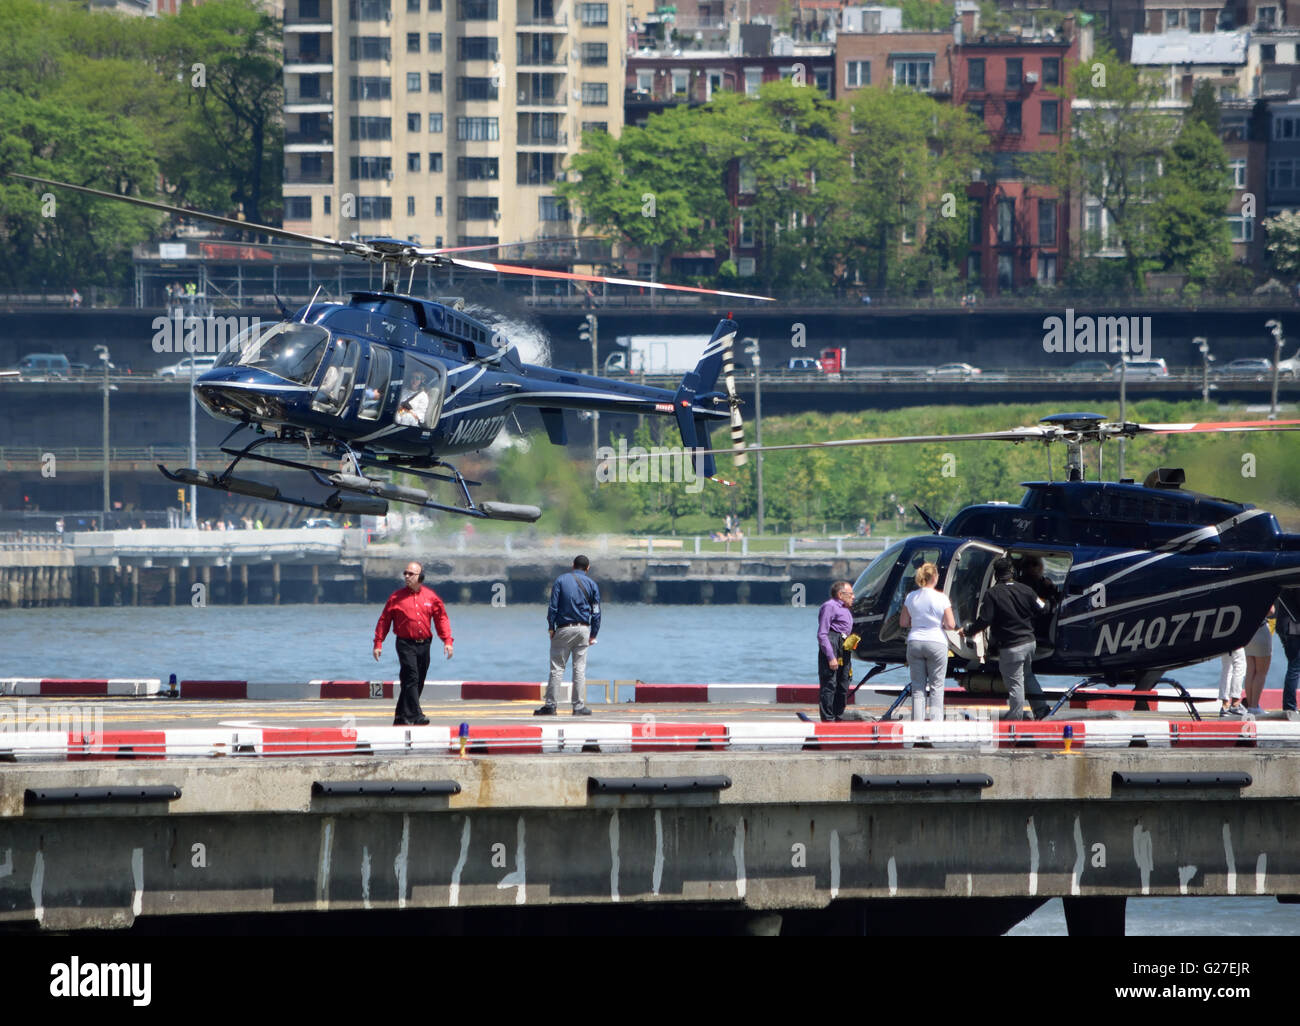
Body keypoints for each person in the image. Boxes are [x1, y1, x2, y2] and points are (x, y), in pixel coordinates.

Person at [962, 557, 1050, 720]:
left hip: (1011, 646)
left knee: (1015, 683)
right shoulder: (1026, 590)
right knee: (1027, 675)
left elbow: (985, 620)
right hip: (1029, 643)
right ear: (1012, 573)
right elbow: (1043, 608)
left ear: (996, 575)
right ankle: (1042, 709)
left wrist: (969, 631)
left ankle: (1015, 718)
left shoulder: (992, 594)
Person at [373, 561, 454, 726]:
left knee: (417, 680)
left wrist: (447, 640)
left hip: (425, 644)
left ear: (420, 577)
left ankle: (401, 716)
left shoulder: (431, 597)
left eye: (411, 574)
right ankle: (416, 715)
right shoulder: (396, 598)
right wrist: (378, 643)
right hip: (405, 644)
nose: (407, 577)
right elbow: (384, 620)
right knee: (411, 676)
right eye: (405, 573)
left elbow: (441, 619)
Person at [536, 555, 600, 716]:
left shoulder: (560, 581)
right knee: (579, 669)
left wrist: (551, 627)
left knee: (557, 668)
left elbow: (553, 607)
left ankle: (551, 706)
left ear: (573, 565)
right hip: (583, 629)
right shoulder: (592, 584)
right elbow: (597, 612)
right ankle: (578, 706)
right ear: (588, 568)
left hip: (564, 628)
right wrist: (593, 634)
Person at [899, 562, 955, 721]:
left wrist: (917, 622)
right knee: (937, 687)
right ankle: (935, 726)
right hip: (937, 641)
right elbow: (951, 625)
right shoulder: (942, 598)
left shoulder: (911, 596)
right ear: (935, 577)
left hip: (915, 640)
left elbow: (903, 622)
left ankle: (917, 727)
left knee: (918, 687)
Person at [816, 580, 855, 722]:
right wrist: (831, 657)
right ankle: (828, 719)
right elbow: (822, 634)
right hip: (833, 644)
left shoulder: (846, 608)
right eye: (850, 594)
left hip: (844, 645)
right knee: (829, 684)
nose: (853, 596)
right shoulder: (829, 606)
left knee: (843, 683)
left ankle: (839, 716)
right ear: (840, 594)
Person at [1244, 611, 1274, 713]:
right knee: (1261, 672)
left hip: (1247, 631)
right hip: (1261, 629)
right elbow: (1271, 611)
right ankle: (1254, 705)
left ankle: (1251, 706)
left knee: (1250, 671)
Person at [1276, 591, 1300, 713]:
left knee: (1293, 667)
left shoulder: (1287, 585)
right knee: (1294, 668)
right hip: (1294, 630)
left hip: (1286, 628)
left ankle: (1289, 705)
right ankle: (1290, 706)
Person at [1218, 647, 1247, 718]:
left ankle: (1225, 706)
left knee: (1226, 669)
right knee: (1239, 666)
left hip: (1223, 639)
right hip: (1236, 640)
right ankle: (1235, 704)